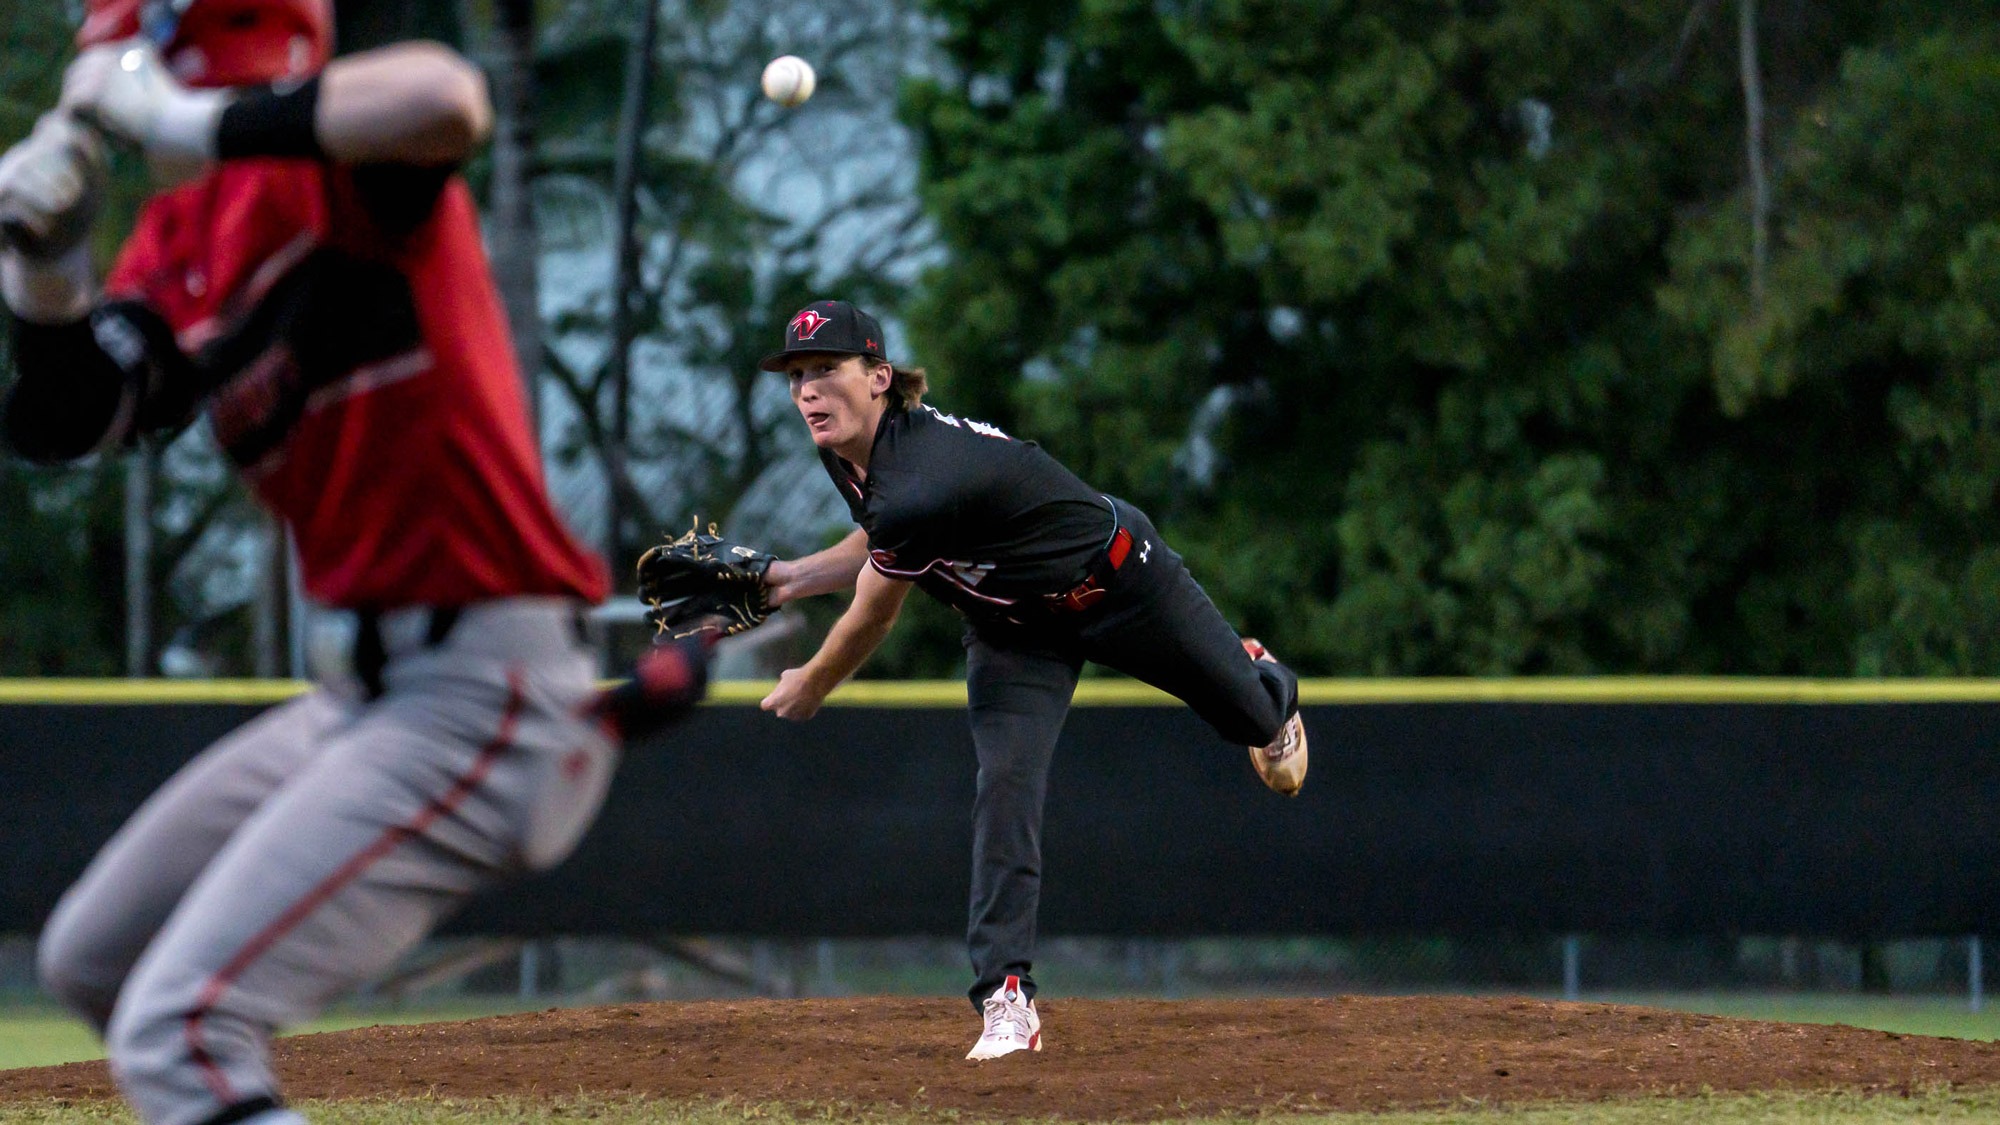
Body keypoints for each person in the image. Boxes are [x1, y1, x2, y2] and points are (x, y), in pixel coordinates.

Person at [0, 4, 707, 1123]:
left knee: (181, 1033)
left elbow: (444, 100)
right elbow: (66, 420)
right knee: (94, 960)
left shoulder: (335, 163)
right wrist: (43, 272)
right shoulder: (187, 235)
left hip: (483, 686)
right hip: (364, 697)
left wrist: (186, 114)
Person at [754, 299, 1308, 1061]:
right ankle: (1005, 996)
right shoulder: (851, 453)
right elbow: (885, 540)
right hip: (1013, 632)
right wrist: (786, 579)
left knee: (1255, 724)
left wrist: (814, 681)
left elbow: (874, 613)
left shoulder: (925, 474)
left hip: (1119, 584)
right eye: (795, 376)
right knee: (1006, 785)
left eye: (825, 371)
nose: (806, 391)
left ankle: (1261, 680)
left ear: (880, 377)